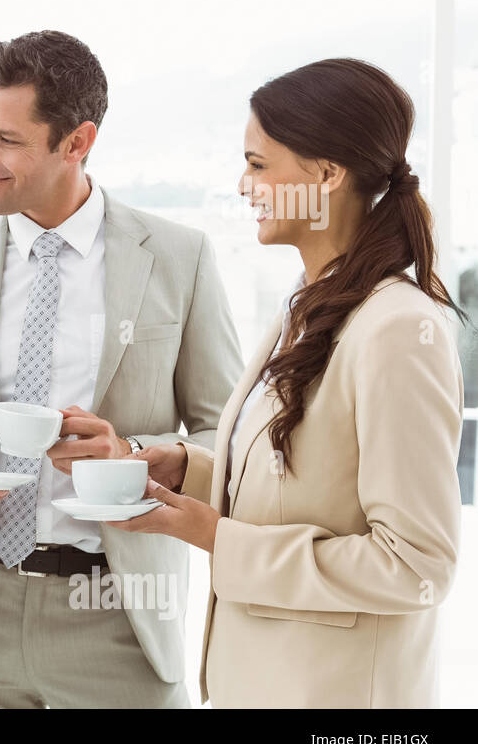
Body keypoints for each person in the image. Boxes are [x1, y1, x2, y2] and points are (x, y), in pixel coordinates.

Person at [0, 30, 243, 708]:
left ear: (77, 142)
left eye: (5, 139)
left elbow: (232, 440)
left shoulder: (180, 258)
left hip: (118, 612)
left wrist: (134, 455)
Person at [116, 58, 464, 708]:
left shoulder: (395, 330)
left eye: (257, 164)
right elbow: (308, 484)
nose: (244, 186)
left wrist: (216, 536)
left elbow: (418, 564)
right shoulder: (306, 309)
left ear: (327, 175)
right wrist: (186, 471)